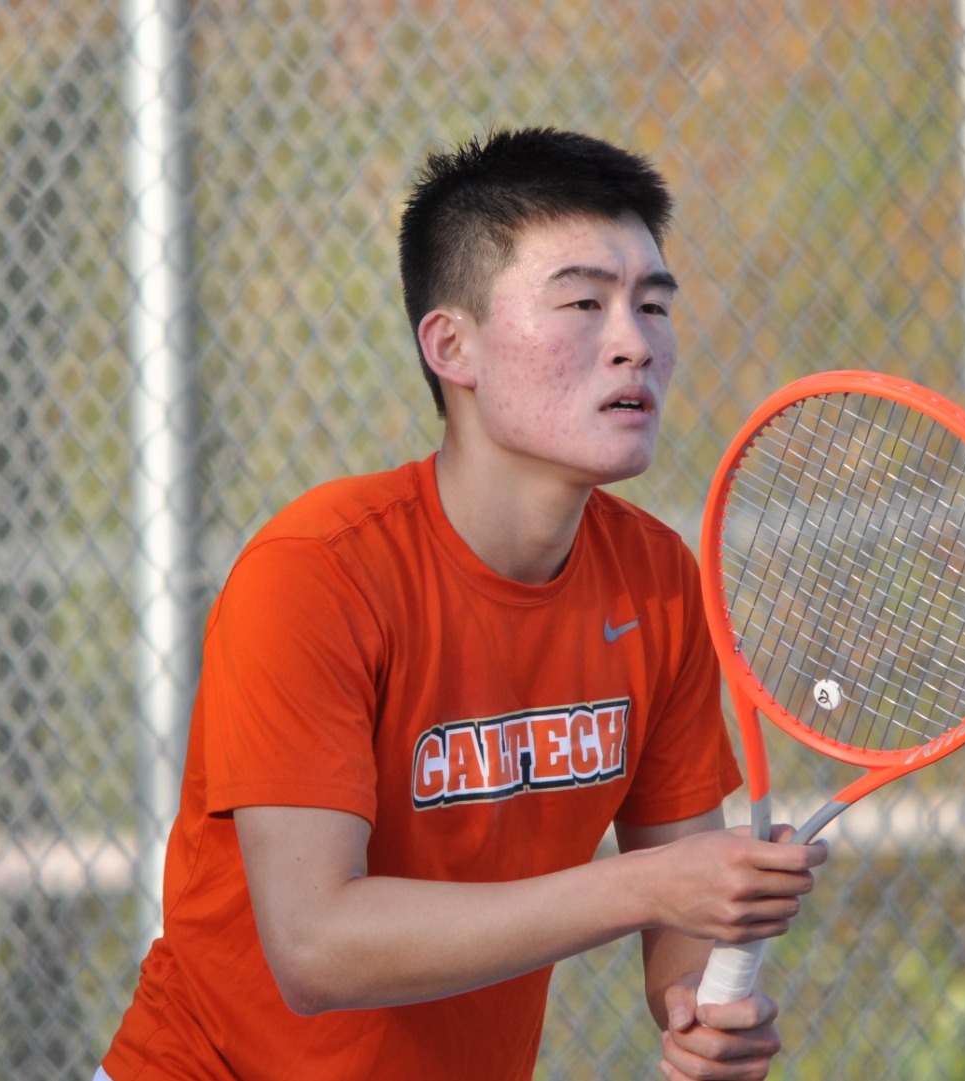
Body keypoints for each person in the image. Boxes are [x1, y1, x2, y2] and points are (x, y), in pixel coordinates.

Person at [96, 127, 827, 1081]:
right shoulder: (312, 571)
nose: (633, 344)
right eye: (581, 302)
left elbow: (680, 917)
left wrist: (704, 1009)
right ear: (452, 345)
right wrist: (645, 885)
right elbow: (315, 945)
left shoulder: (653, 578)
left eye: (652, 305)